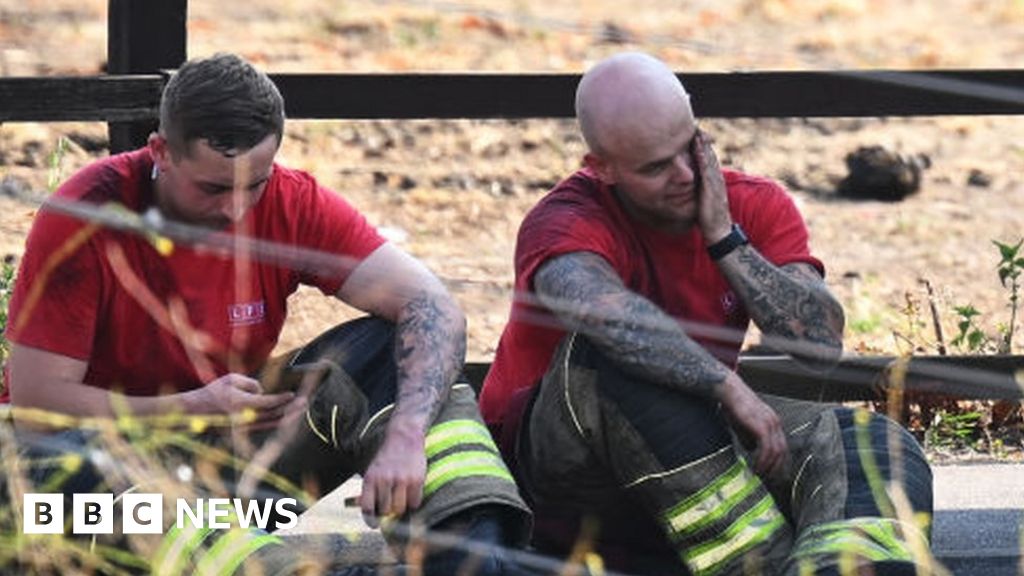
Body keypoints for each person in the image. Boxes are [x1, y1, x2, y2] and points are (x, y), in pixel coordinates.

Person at [3, 53, 531, 575]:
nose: (236, 209)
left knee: (397, 350)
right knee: (89, 473)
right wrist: (192, 407)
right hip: (73, 499)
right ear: (160, 151)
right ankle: (275, 568)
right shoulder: (85, 217)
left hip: (233, 489)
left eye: (254, 184)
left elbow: (432, 304)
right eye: (213, 188)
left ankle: (474, 557)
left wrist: (406, 435)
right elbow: (37, 407)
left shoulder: (291, 201)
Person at [480, 52, 935, 575]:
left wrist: (726, 240)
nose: (684, 175)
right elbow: (608, 320)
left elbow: (820, 343)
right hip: (562, 471)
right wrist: (727, 386)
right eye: (654, 167)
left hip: (694, 446)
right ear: (600, 168)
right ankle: (756, 565)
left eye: (689, 148)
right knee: (612, 362)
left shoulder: (751, 204)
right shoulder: (563, 221)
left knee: (873, 445)